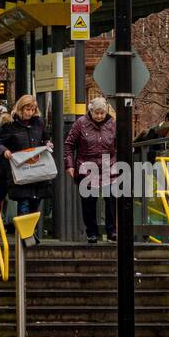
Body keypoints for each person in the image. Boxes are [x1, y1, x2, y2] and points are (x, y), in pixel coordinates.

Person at [0, 95, 53, 242]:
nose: (29, 112)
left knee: (35, 203)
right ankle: (25, 236)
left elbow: (46, 137)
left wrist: (48, 143)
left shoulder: (39, 123)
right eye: (27, 109)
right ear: (21, 108)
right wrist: (5, 151)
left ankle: (29, 232)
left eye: (32, 109)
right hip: (21, 169)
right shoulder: (10, 125)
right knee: (24, 202)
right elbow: (0, 143)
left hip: (37, 169)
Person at [65, 96, 117, 244]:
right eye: (96, 113)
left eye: (102, 113)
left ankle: (112, 230)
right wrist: (70, 165)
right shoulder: (80, 124)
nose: (99, 116)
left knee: (112, 198)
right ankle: (92, 232)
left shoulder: (113, 124)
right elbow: (69, 145)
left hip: (109, 165)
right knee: (89, 201)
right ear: (91, 111)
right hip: (87, 166)